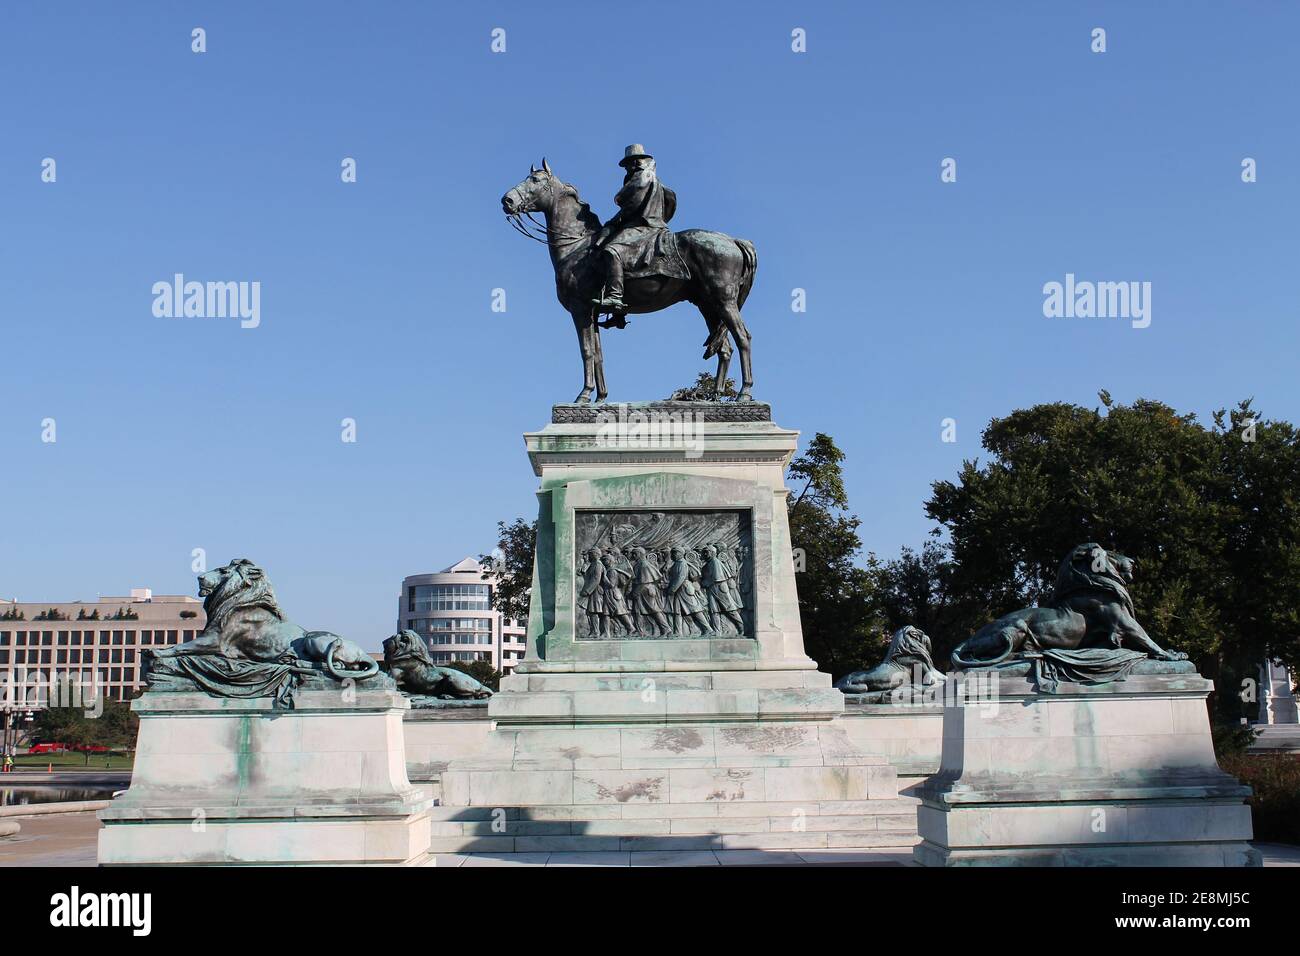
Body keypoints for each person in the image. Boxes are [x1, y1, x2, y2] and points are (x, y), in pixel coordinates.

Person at [591, 144, 681, 316]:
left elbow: (631, 208)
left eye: (628, 163)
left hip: (643, 226)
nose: (626, 167)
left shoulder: (642, 178)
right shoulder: (655, 181)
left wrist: (612, 223)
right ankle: (619, 314)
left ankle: (615, 296)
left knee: (612, 251)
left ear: (636, 162)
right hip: (652, 224)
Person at [666, 546, 712, 636]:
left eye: (674, 553)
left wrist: (672, 589)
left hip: (684, 589)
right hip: (679, 591)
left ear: (680, 554)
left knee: (695, 609)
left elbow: (681, 577)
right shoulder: (676, 563)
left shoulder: (682, 563)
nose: (672, 555)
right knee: (677, 611)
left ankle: (708, 629)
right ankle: (678, 632)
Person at [701, 545, 746, 635]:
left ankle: (742, 628)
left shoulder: (715, 562)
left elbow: (717, 577)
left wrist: (705, 583)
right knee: (714, 611)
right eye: (704, 552)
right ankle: (717, 631)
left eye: (707, 552)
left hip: (719, 587)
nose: (705, 554)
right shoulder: (709, 563)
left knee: (730, 609)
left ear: (713, 553)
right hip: (712, 588)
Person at [629, 547, 671, 636]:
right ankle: (640, 631)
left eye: (635, 554)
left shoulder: (644, 565)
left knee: (654, 610)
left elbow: (644, 581)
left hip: (645, 590)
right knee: (637, 611)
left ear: (640, 554)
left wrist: (636, 592)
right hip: (642, 590)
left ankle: (666, 629)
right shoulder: (639, 564)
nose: (633, 556)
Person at [577, 549, 605, 638]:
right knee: (591, 612)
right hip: (592, 591)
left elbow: (596, 579)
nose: (589, 556)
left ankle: (596, 632)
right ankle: (594, 630)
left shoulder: (598, 564)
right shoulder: (594, 564)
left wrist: (587, 591)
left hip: (595, 591)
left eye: (591, 554)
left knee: (594, 611)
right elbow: (589, 578)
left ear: (596, 554)